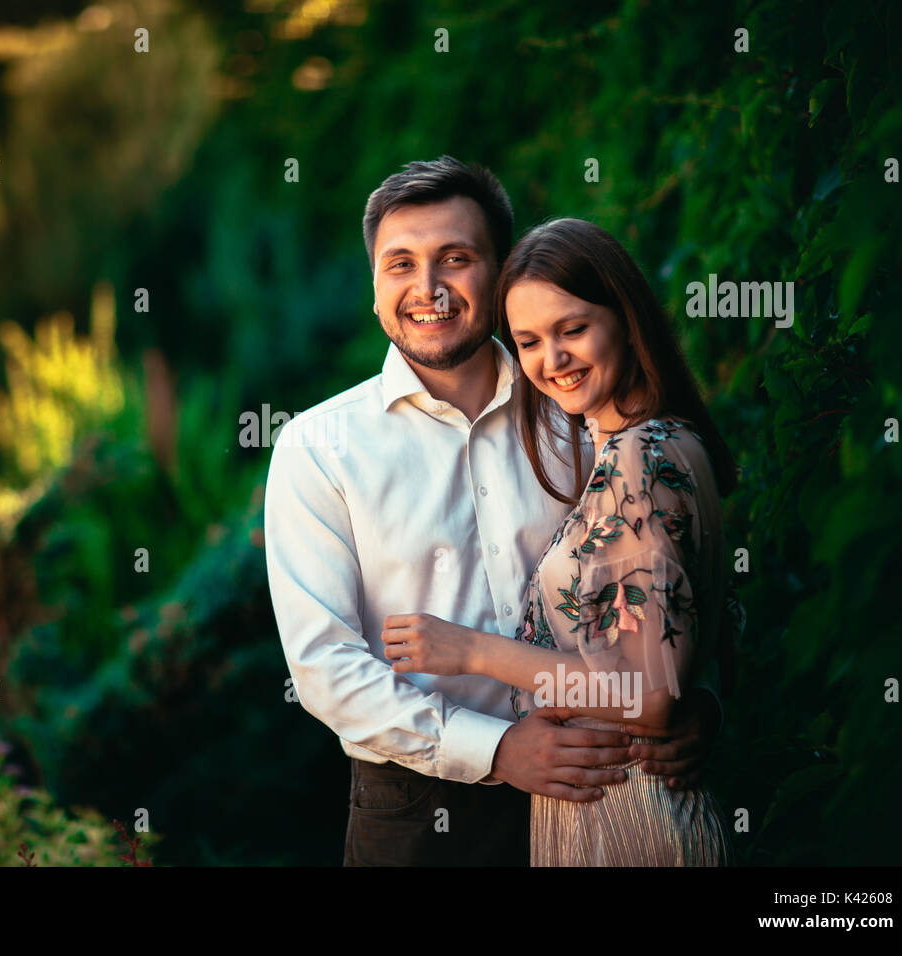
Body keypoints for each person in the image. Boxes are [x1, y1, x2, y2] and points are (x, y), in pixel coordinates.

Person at [263, 157, 726, 866]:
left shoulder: (579, 412)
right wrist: (498, 749)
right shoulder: (318, 446)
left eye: (456, 258)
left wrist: (700, 703)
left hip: (604, 788)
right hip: (418, 808)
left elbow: (675, 574)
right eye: (400, 264)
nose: (428, 288)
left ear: (499, 271)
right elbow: (325, 666)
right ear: (375, 286)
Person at [379, 217, 739, 865]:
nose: (553, 360)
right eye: (529, 342)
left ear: (625, 318)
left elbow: (648, 697)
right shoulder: (649, 447)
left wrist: (473, 652)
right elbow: (699, 645)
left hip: (631, 819)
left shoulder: (641, 457)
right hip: (609, 813)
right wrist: (705, 703)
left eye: (573, 329)